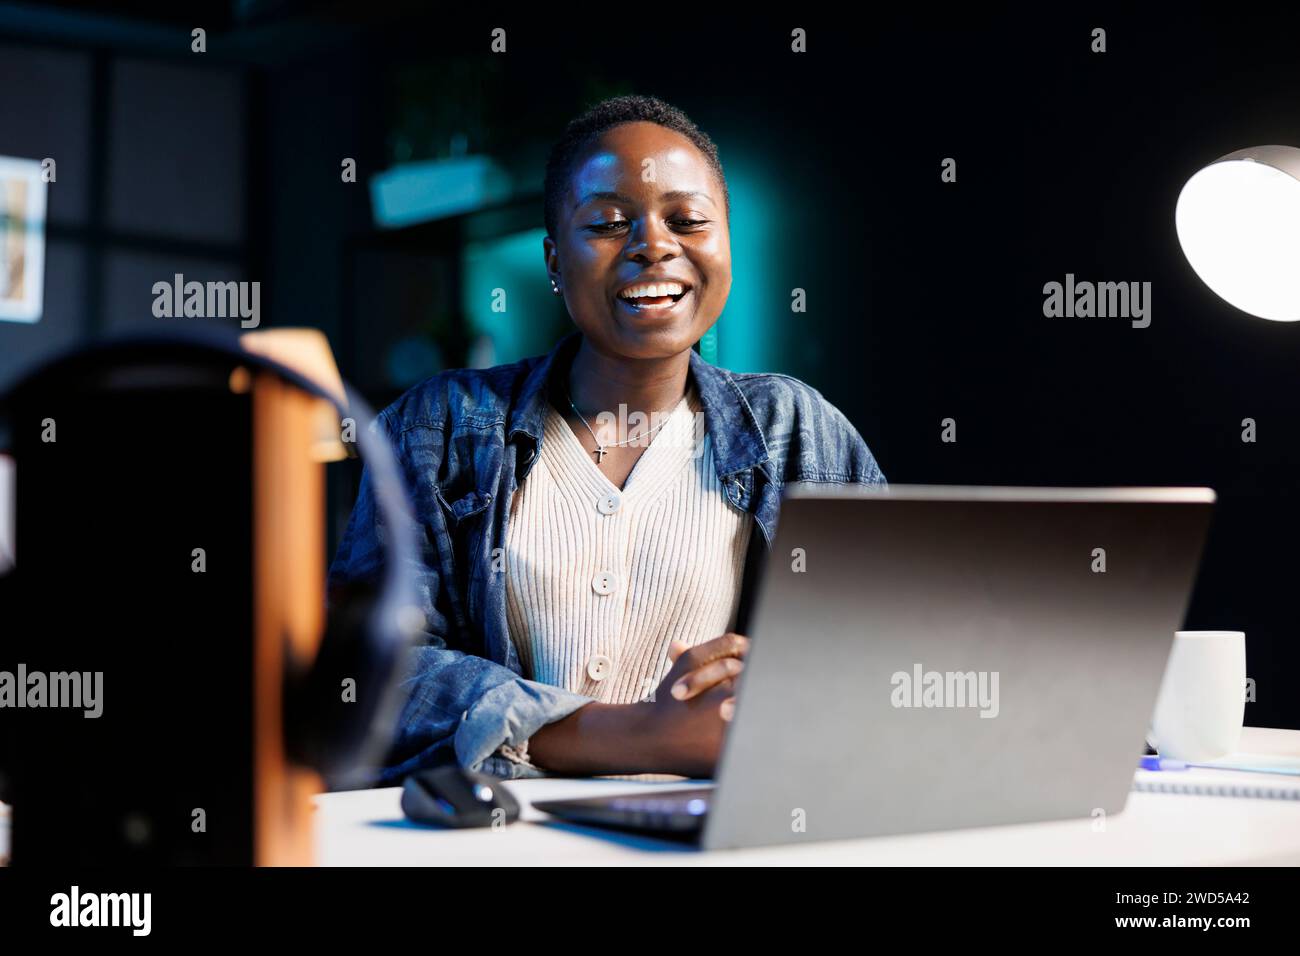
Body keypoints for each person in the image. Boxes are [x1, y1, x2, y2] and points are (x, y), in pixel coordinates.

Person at [328, 94, 885, 785]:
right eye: (609, 224)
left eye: (687, 221)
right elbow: (373, 676)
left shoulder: (797, 430)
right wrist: (637, 736)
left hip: (708, 837)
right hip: (490, 838)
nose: (654, 245)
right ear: (554, 259)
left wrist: (780, 687)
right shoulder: (438, 426)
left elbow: (883, 652)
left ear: (726, 246)